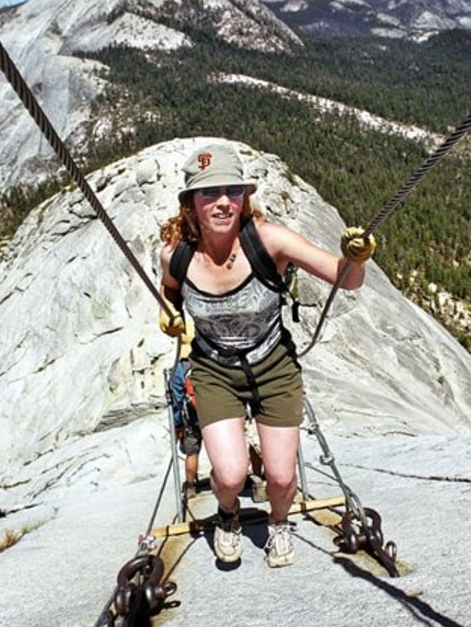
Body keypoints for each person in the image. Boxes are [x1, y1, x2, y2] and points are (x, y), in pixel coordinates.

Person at [158, 143, 375, 568]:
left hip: (274, 366)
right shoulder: (176, 256)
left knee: (280, 477)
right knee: (231, 474)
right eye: (208, 193)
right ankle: (228, 517)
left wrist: (358, 259)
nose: (222, 202)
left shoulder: (268, 240)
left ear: (244, 197)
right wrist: (167, 315)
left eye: (232, 191)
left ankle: (278, 523)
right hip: (214, 369)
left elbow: (344, 279)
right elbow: (169, 291)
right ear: (190, 204)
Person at [170, 319, 202, 500]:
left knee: (192, 452)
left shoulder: (181, 367)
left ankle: (190, 486)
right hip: (215, 413)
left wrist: (177, 424)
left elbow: (177, 397)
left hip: (192, 417)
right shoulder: (209, 362)